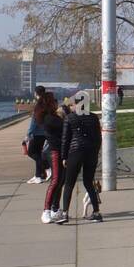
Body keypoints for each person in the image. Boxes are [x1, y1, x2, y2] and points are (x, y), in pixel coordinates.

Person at [58, 93, 102, 223]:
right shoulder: (94, 117)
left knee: (69, 183)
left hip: (75, 152)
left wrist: (64, 156)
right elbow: (98, 137)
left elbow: (65, 139)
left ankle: (65, 213)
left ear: (77, 103)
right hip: (90, 153)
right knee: (88, 182)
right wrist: (95, 151)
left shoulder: (70, 118)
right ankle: (96, 212)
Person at [39, 93, 65, 223]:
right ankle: (46, 210)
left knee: (60, 180)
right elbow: (65, 126)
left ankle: (55, 208)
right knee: (55, 180)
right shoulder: (50, 118)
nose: (57, 103)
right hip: (54, 151)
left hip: (60, 151)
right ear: (50, 104)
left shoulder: (54, 117)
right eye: (55, 101)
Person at [24, 86, 49, 183]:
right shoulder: (46, 103)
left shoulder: (38, 105)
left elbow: (34, 121)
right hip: (44, 133)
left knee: (31, 153)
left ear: (36, 94)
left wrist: (28, 133)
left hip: (36, 133)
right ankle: (39, 175)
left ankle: (46, 167)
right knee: (38, 153)